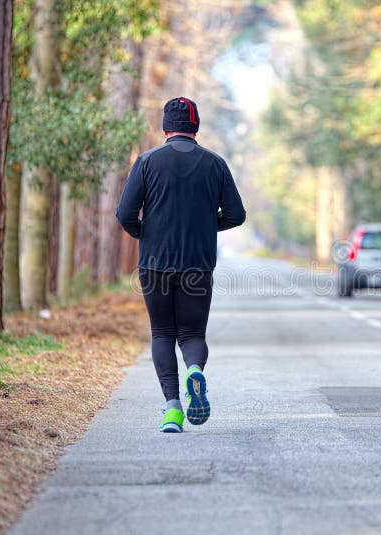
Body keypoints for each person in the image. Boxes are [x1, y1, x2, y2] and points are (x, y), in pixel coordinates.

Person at [116, 97, 246, 433]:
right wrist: (204, 224)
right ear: (196, 127)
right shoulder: (215, 164)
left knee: (162, 332)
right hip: (198, 266)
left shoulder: (146, 162)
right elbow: (236, 214)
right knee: (191, 333)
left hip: (155, 264)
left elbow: (125, 214)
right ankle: (194, 370)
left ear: (165, 127)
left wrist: (146, 233)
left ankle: (172, 409)